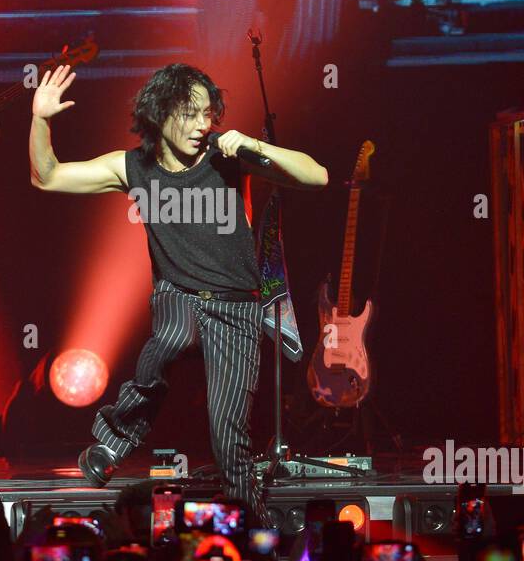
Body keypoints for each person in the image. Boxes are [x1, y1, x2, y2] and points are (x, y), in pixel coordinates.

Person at [28, 63, 328, 523]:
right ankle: (111, 444)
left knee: (227, 429)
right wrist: (41, 119)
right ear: (161, 112)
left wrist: (255, 145)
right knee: (170, 338)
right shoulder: (133, 167)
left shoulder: (227, 156)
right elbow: (46, 177)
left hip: (234, 305)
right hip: (177, 294)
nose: (202, 125)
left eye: (208, 114)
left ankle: (249, 522)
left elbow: (317, 176)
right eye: (190, 113)